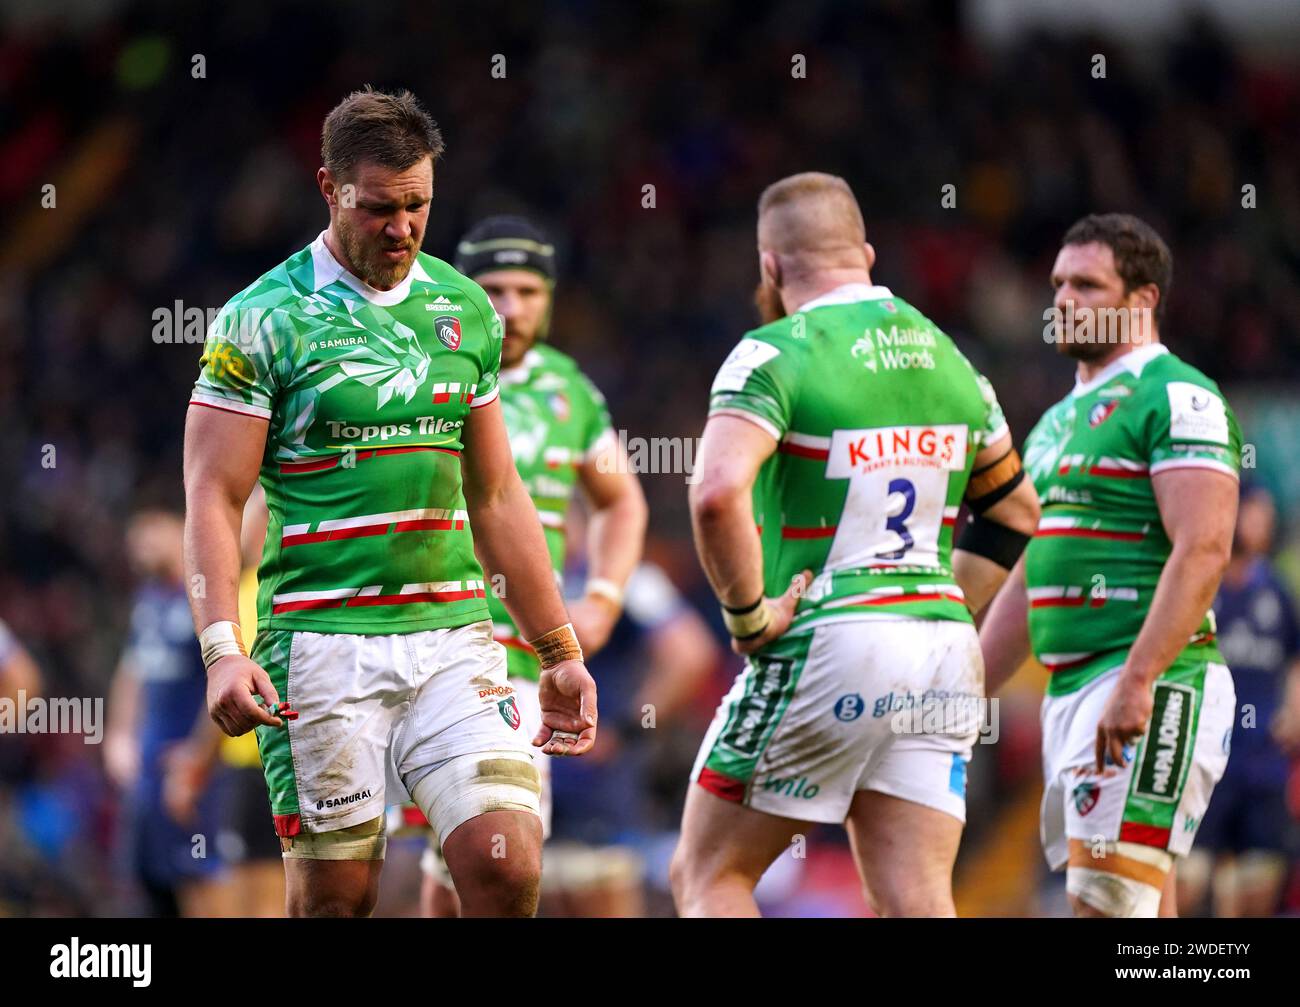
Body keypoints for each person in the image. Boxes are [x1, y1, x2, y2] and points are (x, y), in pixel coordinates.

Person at [182, 87, 597, 918]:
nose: (402, 228)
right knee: (339, 899)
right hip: (322, 647)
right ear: (328, 185)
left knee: (504, 863)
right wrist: (222, 648)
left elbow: (497, 491)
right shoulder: (262, 319)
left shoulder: (462, 307)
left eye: (418, 206)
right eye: (379, 208)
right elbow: (213, 496)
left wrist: (557, 648)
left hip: (454, 638)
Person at [671, 172, 1040, 918]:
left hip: (831, 638)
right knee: (917, 897)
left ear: (770, 267)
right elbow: (1015, 512)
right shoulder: (951, 359)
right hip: (939, 649)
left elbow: (715, 493)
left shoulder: (773, 354)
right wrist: (944, 606)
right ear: (866, 254)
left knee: (710, 876)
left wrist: (749, 617)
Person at [981, 213, 1241, 918]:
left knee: (1105, 914)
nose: (1064, 300)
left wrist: (1139, 679)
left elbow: (1205, 547)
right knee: (1145, 924)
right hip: (1074, 691)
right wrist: (964, 685)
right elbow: (1034, 570)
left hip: (1149, 679)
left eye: (1088, 285)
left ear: (1143, 299)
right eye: (1059, 284)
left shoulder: (1178, 397)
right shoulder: (1053, 422)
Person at [410, 215, 647, 917]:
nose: (510, 307)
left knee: (487, 858)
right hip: (413, 640)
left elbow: (621, 501)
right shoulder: (421, 364)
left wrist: (602, 598)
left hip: (514, 663)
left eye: (527, 290)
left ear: (549, 296)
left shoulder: (568, 389)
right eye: (492, 289)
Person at [1179, 484, 1299, 916]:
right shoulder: (1197, 585)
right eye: (1252, 513)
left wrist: (1294, 709)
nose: (1260, 523)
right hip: (1202, 760)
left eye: (1265, 515)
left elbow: (1294, 656)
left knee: (1258, 883)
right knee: (1187, 883)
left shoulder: (1278, 592)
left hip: (1262, 762)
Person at [103, 509, 226, 916]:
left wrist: (197, 754)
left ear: (178, 531)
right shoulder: (147, 600)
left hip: (191, 768)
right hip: (148, 769)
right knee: (149, 883)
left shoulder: (205, 598)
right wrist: (119, 734)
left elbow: (221, 676)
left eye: (148, 535)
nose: (139, 547)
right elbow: (132, 668)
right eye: (133, 541)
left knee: (200, 881)